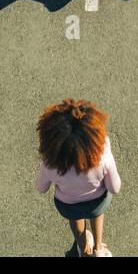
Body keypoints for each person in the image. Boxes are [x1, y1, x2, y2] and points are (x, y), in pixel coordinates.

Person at [36, 99, 121, 257]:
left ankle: (82, 247)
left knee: (75, 220)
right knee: (97, 214)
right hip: (98, 201)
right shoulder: (103, 154)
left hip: (68, 204)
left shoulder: (50, 162)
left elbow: (41, 188)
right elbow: (114, 188)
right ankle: (98, 249)